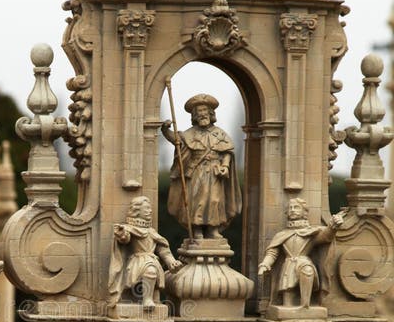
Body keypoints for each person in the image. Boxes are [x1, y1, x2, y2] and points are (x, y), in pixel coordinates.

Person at [162, 94, 241, 240]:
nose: (202, 114)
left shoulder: (219, 134)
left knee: (215, 200)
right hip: (196, 172)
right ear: (195, 115)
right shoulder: (189, 134)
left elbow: (227, 152)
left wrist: (225, 166)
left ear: (211, 113)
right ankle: (197, 229)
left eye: (205, 110)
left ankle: (213, 229)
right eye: (199, 111)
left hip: (214, 172)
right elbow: (176, 140)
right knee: (196, 200)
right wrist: (165, 130)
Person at [258, 198, 344, 308]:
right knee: (287, 296)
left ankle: (305, 305)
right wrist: (265, 264)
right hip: (288, 265)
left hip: (303, 262)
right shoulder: (281, 235)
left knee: (307, 271)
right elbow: (272, 252)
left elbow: (326, 237)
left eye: (296, 207)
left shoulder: (311, 232)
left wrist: (333, 227)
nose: (293, 210)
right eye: (290, 208)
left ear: (305, 212)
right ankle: (288, 306)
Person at [108, 196, 182, 310]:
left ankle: (149, 298)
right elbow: (125, 239)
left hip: (151, 260)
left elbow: (162, 250)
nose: (150, 211)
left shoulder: (151, 232)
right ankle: (147, 299)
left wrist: (171, 262)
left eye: (150, 208)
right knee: (150, 270)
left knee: (152, 270)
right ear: (137, 211)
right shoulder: (129, 229)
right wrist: (121, 234)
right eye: (146, 208)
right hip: (137, 261)